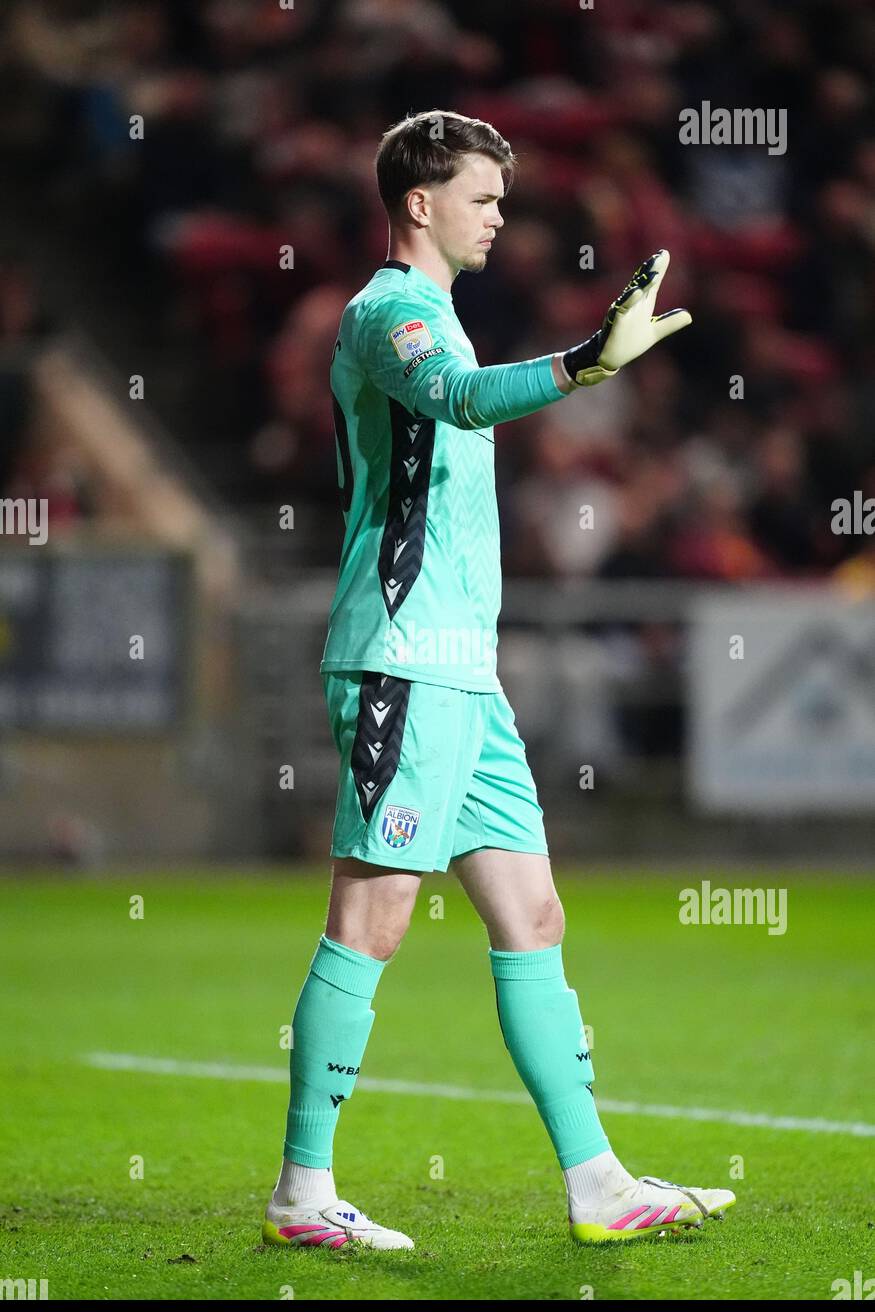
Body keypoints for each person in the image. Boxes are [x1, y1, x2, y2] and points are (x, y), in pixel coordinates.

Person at [263, 109, 734, 1249]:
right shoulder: (388, 315)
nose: (499, 215)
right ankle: (302, 1194)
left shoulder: (442, 317)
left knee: (531, 913)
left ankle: (596, 1183)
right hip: (401, 660)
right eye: (482, 196)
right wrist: (583, 364)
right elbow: (464, 402)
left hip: (462, 677)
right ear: (418, 202)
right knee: (371, 919)